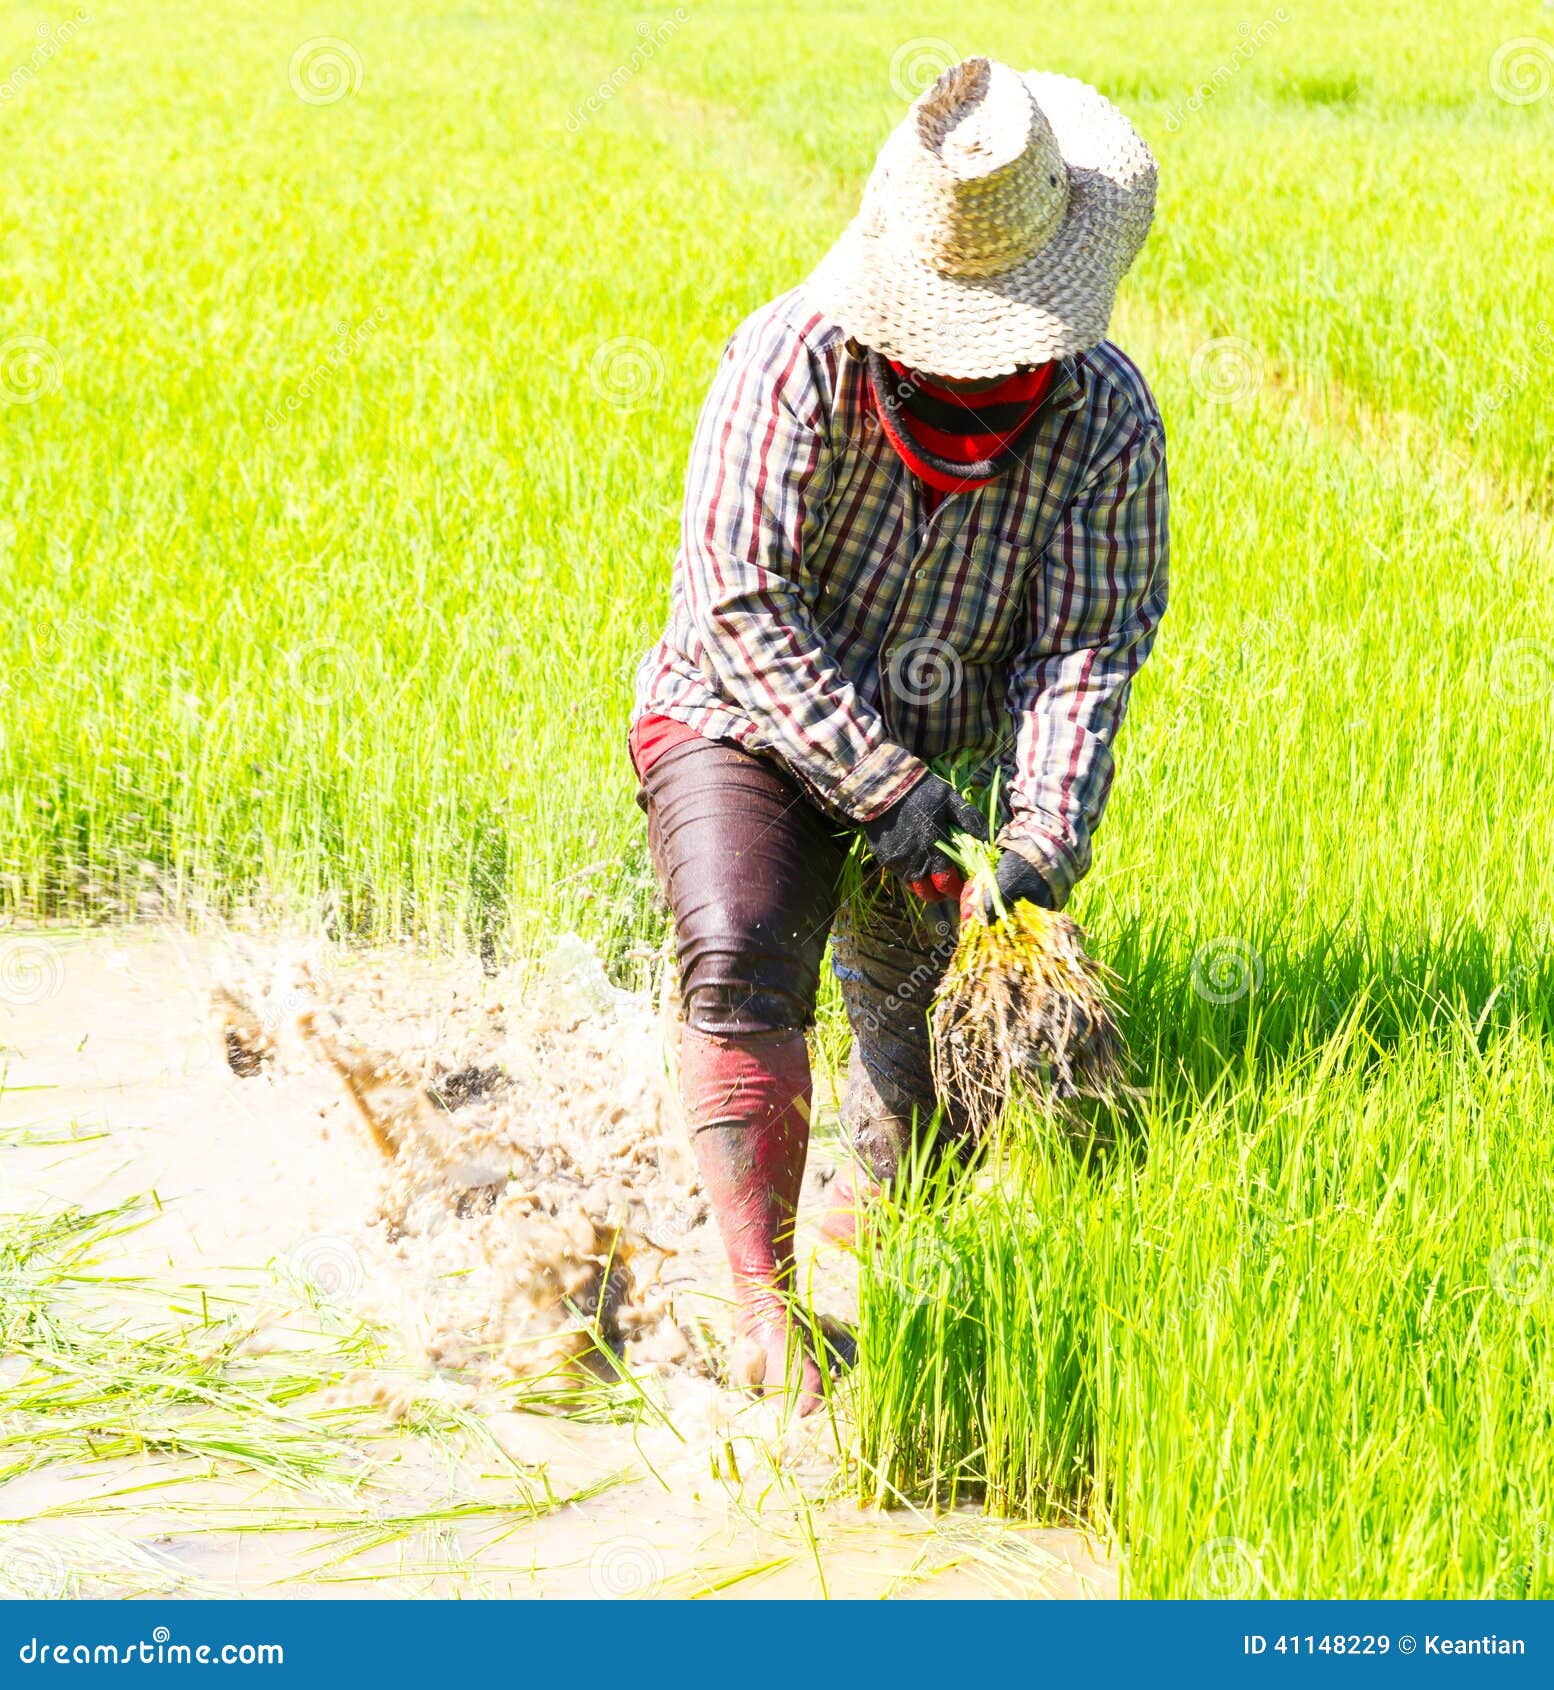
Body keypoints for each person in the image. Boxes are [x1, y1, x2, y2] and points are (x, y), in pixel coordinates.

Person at [630, 57, 1168, 1410]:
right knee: (746, 948)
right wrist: (877, 782)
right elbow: (739, 595)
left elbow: (1083, 644)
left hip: (953, 750)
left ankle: (886, 1270)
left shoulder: (1102, 419)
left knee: (929, 1061)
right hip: (741, 717)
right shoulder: (794, 358)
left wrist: (1042, 831)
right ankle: (761, 1307)